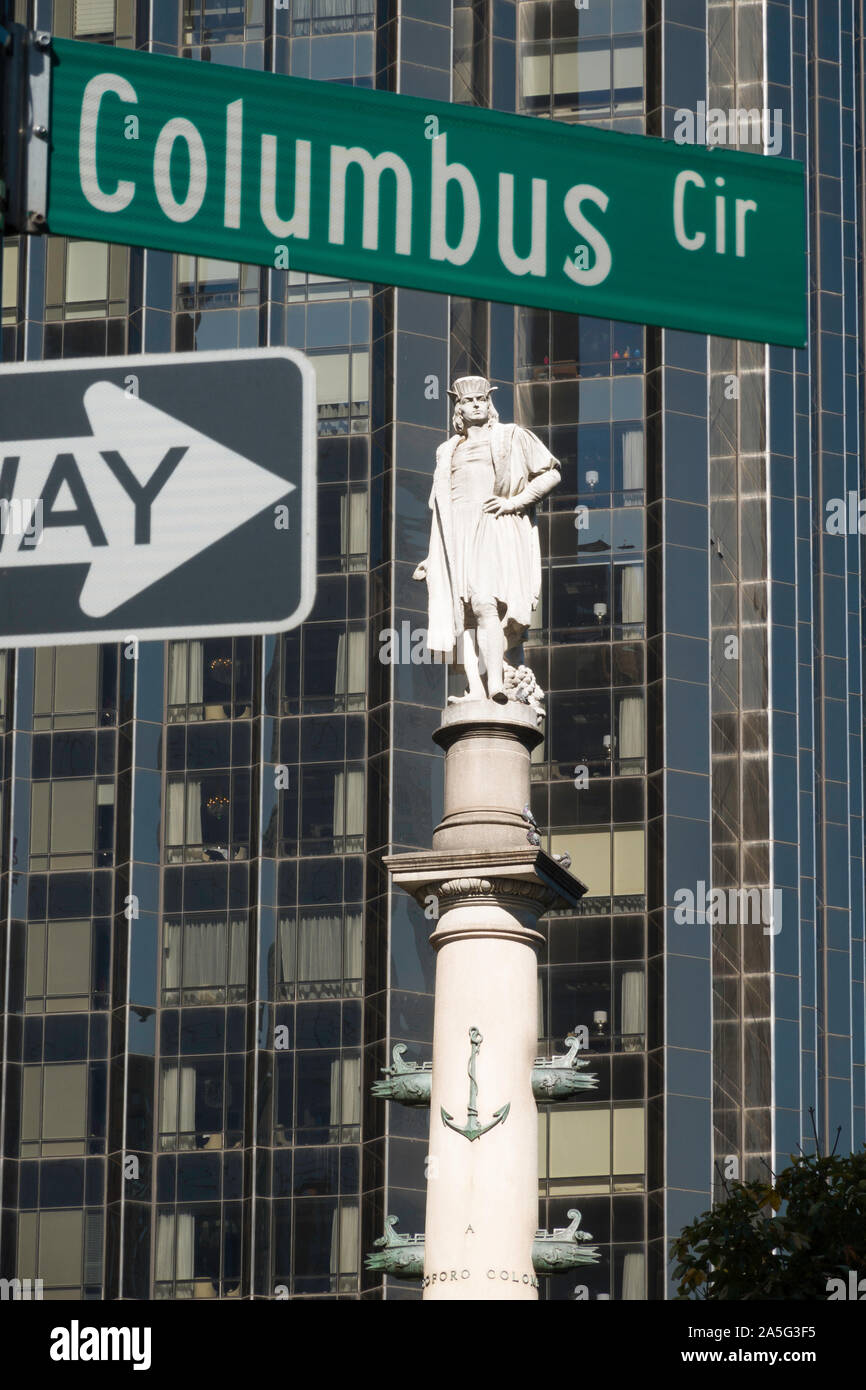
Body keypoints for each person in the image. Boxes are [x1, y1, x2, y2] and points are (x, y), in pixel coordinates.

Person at [413, 375, 560, 703]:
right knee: (458, 613)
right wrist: (433, 555)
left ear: (489, 403)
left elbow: (551, 472)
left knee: (484, 603)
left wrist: (513, 502)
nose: (476, 405)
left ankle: (495, 682)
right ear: (459, 407)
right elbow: (441, 505)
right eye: (468, 401)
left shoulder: (510, 436)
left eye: (481, 399)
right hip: (454, 535)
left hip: (493, 527)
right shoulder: (447, 450)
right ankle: (474, 689)